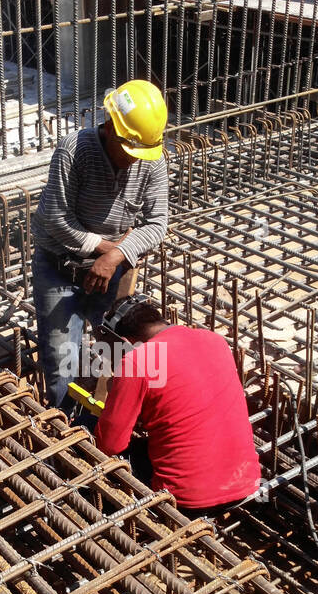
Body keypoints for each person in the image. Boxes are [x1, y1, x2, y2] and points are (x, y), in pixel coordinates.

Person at [30, 79, 169, 411]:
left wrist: (119, 255)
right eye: (129, 150)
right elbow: (57, 219)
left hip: (111, 273)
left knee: (120, 354)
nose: (136, 160)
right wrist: (109, 250)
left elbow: (158, 223)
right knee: (64, 365)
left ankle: (117, 422)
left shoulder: (152, 158)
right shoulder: (74, 150)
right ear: (110, 127)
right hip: (60, 269)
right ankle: (70, 435)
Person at [93, 295, 261, 517]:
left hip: (184, 500)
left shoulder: (137, 362)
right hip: (246, 484)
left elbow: (109, 446)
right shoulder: (215, 340)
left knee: (87, 427)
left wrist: (119, 391)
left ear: (126, 342)